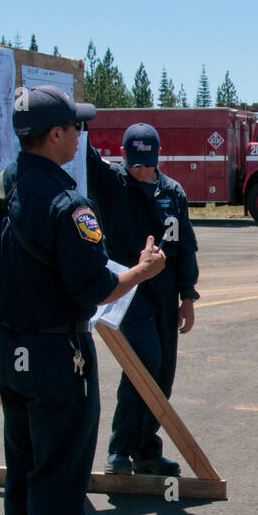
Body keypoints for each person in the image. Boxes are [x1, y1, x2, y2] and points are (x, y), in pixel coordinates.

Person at [0, 86, 165, 515]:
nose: (80, 136)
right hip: (59, 356)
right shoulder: (67, 203)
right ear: (54, 134)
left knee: (24, 475)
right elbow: (95, 285)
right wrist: (141, 271)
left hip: (11, 349)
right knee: (59, 481)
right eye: (75, 128)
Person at [86, 123, 199, 477]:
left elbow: (184, 247)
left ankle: (146, 450)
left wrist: (188, 295)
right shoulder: (111, 183)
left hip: (164, 292)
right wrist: (73, 116)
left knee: (163, 371)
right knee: (144, 360)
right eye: (135, 162)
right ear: (123, 155)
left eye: (147, 162)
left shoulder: (173, 193)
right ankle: (119, 450)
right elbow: (83, 155)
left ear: (157, 156)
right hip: (126, 289)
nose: (141, 169)